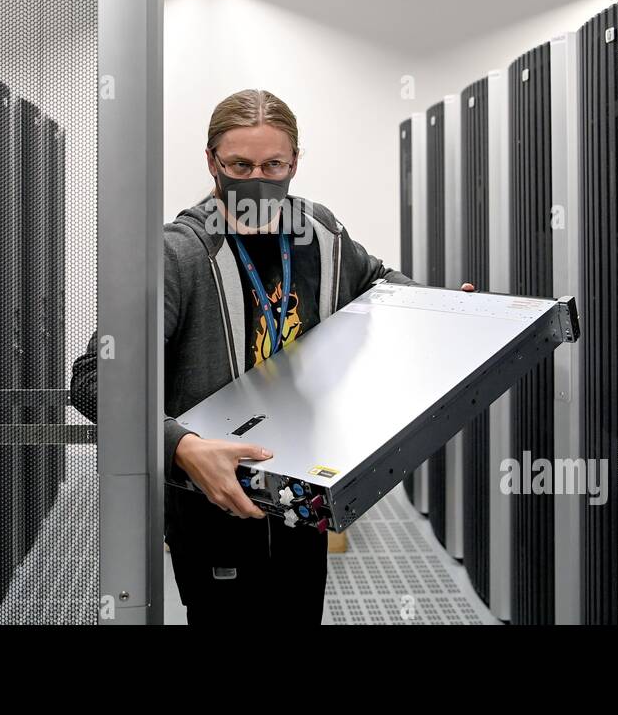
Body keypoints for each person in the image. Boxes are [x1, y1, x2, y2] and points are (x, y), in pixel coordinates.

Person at [69, 88, 473, 624]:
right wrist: (180, 446)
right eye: (240, 164)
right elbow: (93, 378)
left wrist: (440, 307)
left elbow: (378, 285)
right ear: (212, 161)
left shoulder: (320, 232)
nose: (257, 178)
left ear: (294, 163)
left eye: (272, 164)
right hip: (215, 500)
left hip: (305, 489)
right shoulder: (177, 254)